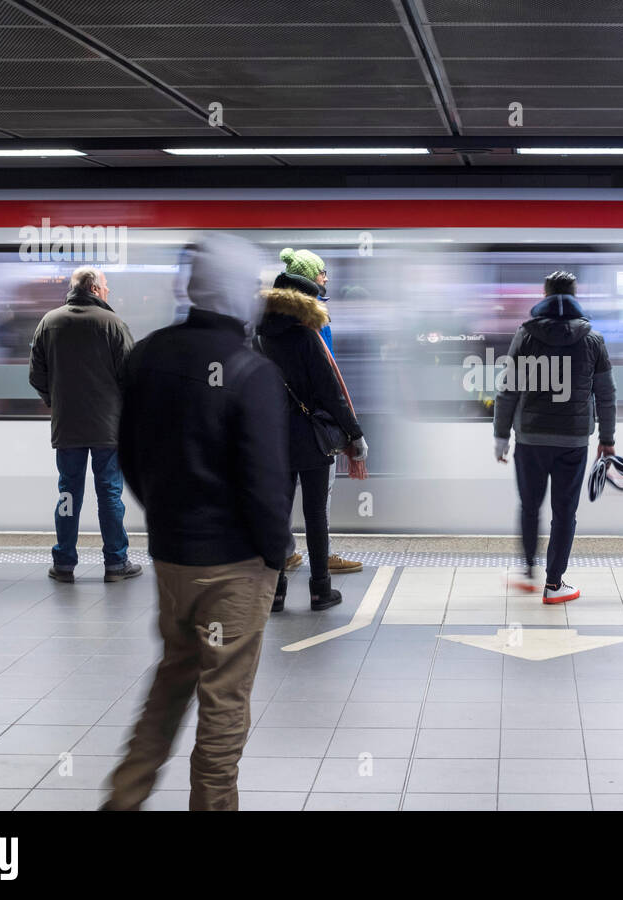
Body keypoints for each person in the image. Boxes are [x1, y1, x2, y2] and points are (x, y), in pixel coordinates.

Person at [103, 233, 291, 812]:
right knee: (223, 703)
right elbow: (266, 483)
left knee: (172, 679)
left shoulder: (148, 354)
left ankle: (124, 797)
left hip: (172, 557)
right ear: (240, 292)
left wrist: (164, 517)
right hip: (233, 566)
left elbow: (128, 453)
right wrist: (275, 554)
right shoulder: (251, 369)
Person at [493, 271, 617, 605]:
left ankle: (529, 571)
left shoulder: (526, 334)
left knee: (530, 505)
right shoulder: (593, 339)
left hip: (531, 438)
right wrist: (607, 438)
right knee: (565, 512)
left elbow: (508, 389)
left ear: (544, 294)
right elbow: (606, 394)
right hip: (573, 441)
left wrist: (501, 435)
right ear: (576, 295)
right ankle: (554, 584)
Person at [256, 258, 368, 612]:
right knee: (316, 515)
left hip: (271, 441)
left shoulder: (256, 338)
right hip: (310, 439)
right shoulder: (306, 338)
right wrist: (355, 434)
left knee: (277, 516)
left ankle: (274, 592)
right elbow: (331, 391)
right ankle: (320, 590)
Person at [29, 266, 141, 584]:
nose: (108, 291)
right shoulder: (113, 323)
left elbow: (36, 374)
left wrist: (57, 400)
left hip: (67, 426)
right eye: (105, 286)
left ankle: (64, 562)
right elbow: (129, 375)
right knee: (109, 493)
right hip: (108, 426)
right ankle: (116, 563)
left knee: (68, 492)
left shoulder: (49, 322)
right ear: (94, 288)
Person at [277, 248, 363, 578]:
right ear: (309, 278)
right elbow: (328, 379)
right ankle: (321, 576)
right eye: (322, 272)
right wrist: (352, 430)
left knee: (281, 499)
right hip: (312, 427)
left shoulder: (267, 323)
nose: (326, 278)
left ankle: (282, 561)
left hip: (278, 426)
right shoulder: (313, 320)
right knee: (317, 505)